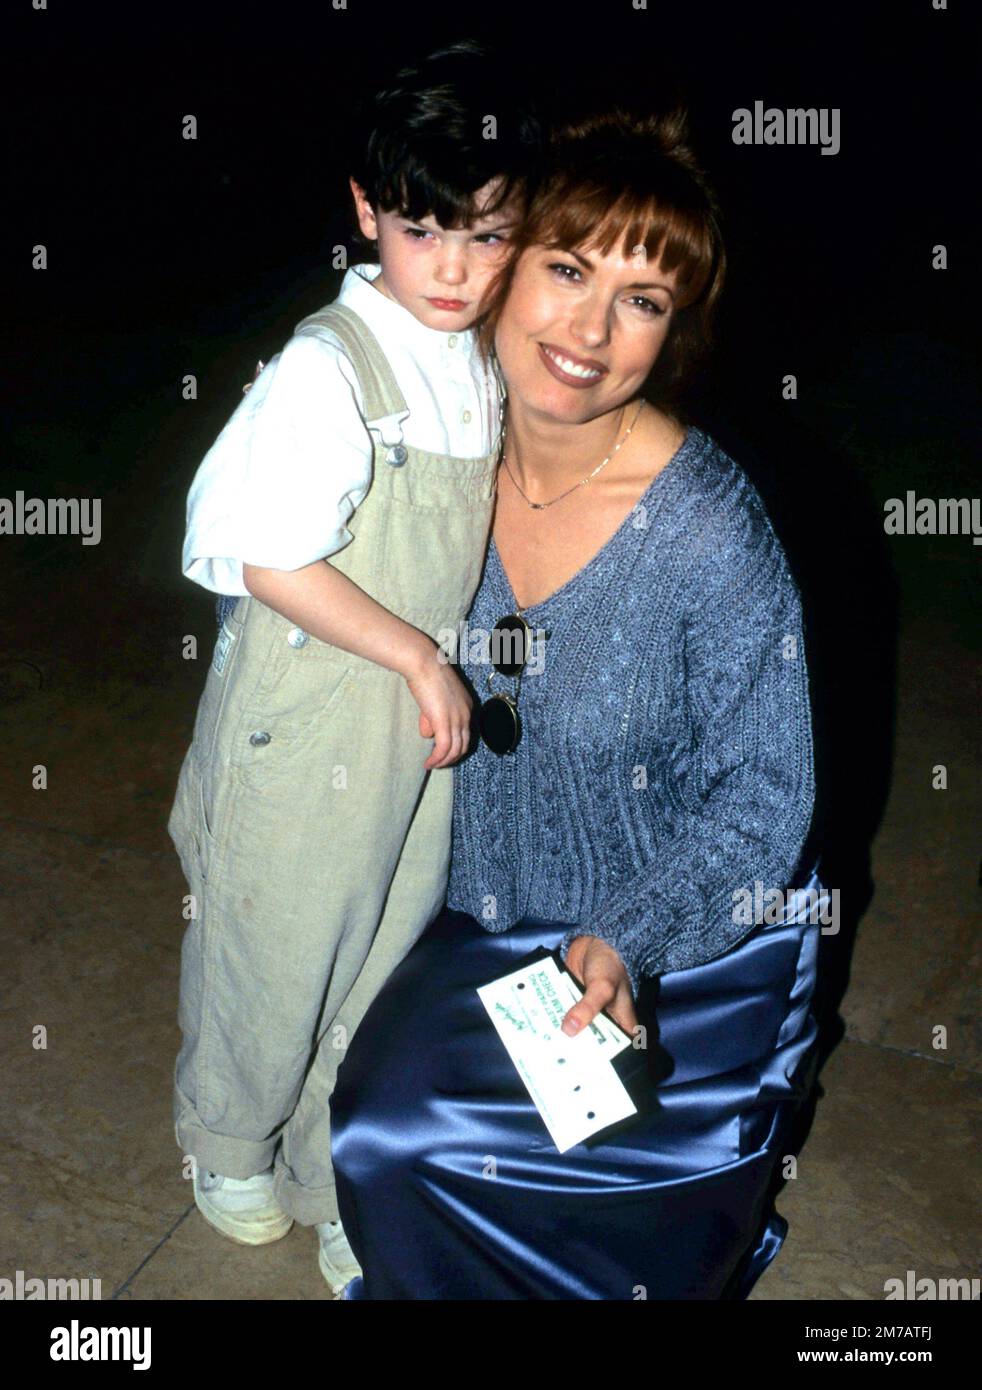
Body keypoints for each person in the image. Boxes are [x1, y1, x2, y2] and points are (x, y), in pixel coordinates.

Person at [329, 104, 828, 1299]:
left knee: (481, 1153)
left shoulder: (709, 530)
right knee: (372, 1129)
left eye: (642, 300)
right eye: (565, 269)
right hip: (487, 919)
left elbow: (769, 799)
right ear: (499, 263)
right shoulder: (438, 450)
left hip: (685, 954)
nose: (591, 330)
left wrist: (628, 938)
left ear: (675, 327)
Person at [165, 41, 539, 1293]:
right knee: (274, 948)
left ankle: (339, 1169)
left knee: (380, 957)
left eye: (489, 238)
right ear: (367, 209)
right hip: (309, 704)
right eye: (426, 231)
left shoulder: (476, 367)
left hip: (408, 724)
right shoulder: (333, 369)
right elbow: (260, 551)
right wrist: (414, 655)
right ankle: (228, 1137)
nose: (456, 270)